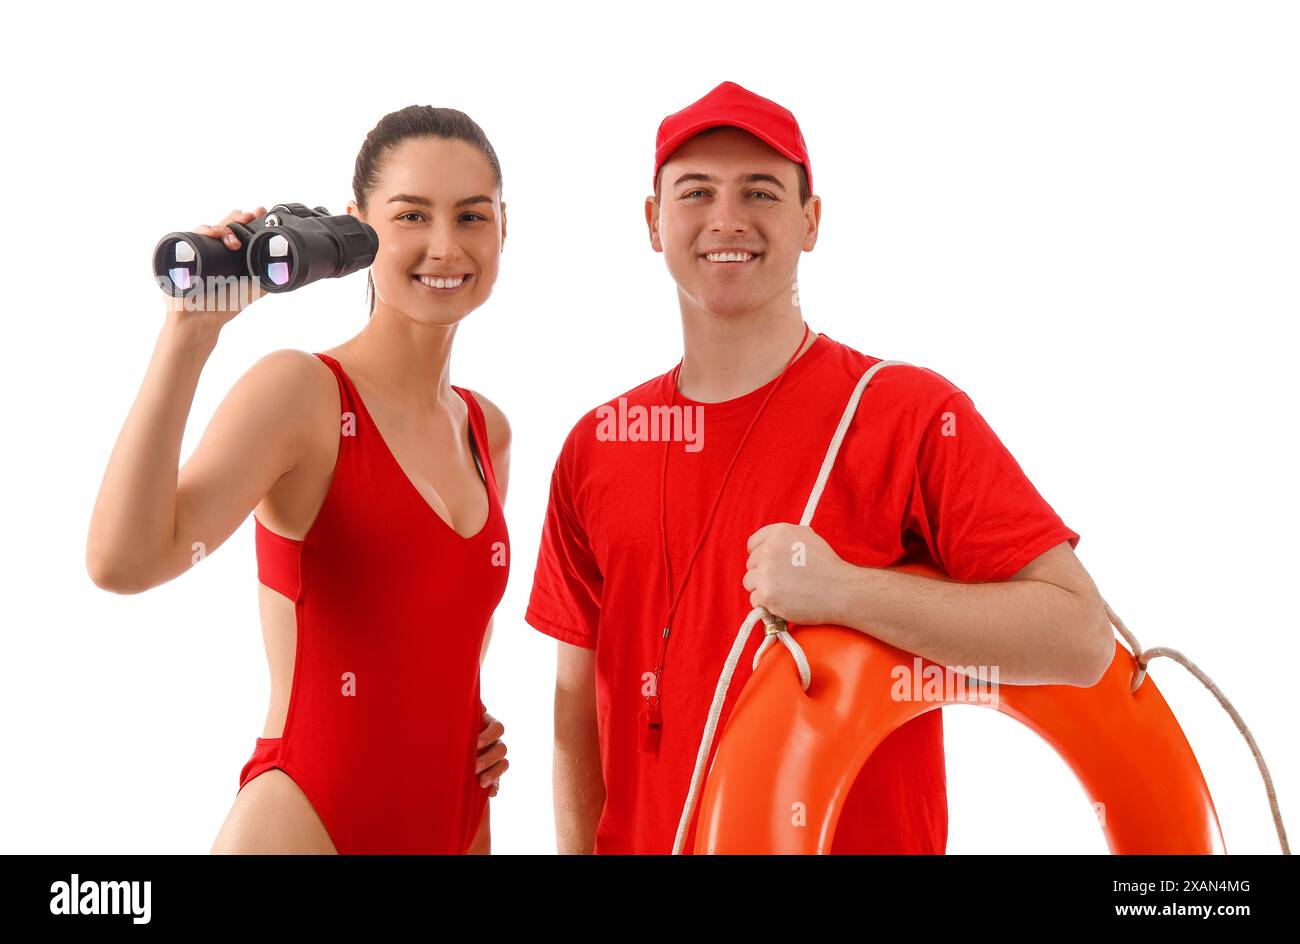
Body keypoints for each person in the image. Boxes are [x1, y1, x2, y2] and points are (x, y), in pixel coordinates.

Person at [526, 81, 1115, 854]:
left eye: (760, 192)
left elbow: (1080, 638)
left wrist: (844, 591)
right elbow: (576, 714)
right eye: (696, 191)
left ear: (810, 221)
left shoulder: (904, 412)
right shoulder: (598, 444)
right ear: (652, 221)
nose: (726, 219)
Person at [86, 105, 512, 854]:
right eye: (411, 215)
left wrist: (469, 725)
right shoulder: (303, 394)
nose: (445, 246)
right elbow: (123, 562)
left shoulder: (487, 431)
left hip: (456, 822)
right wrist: (188, 335)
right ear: (357, 229)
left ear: (504, 227)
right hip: (306, 822)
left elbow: (438, 644)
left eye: (471, 216)